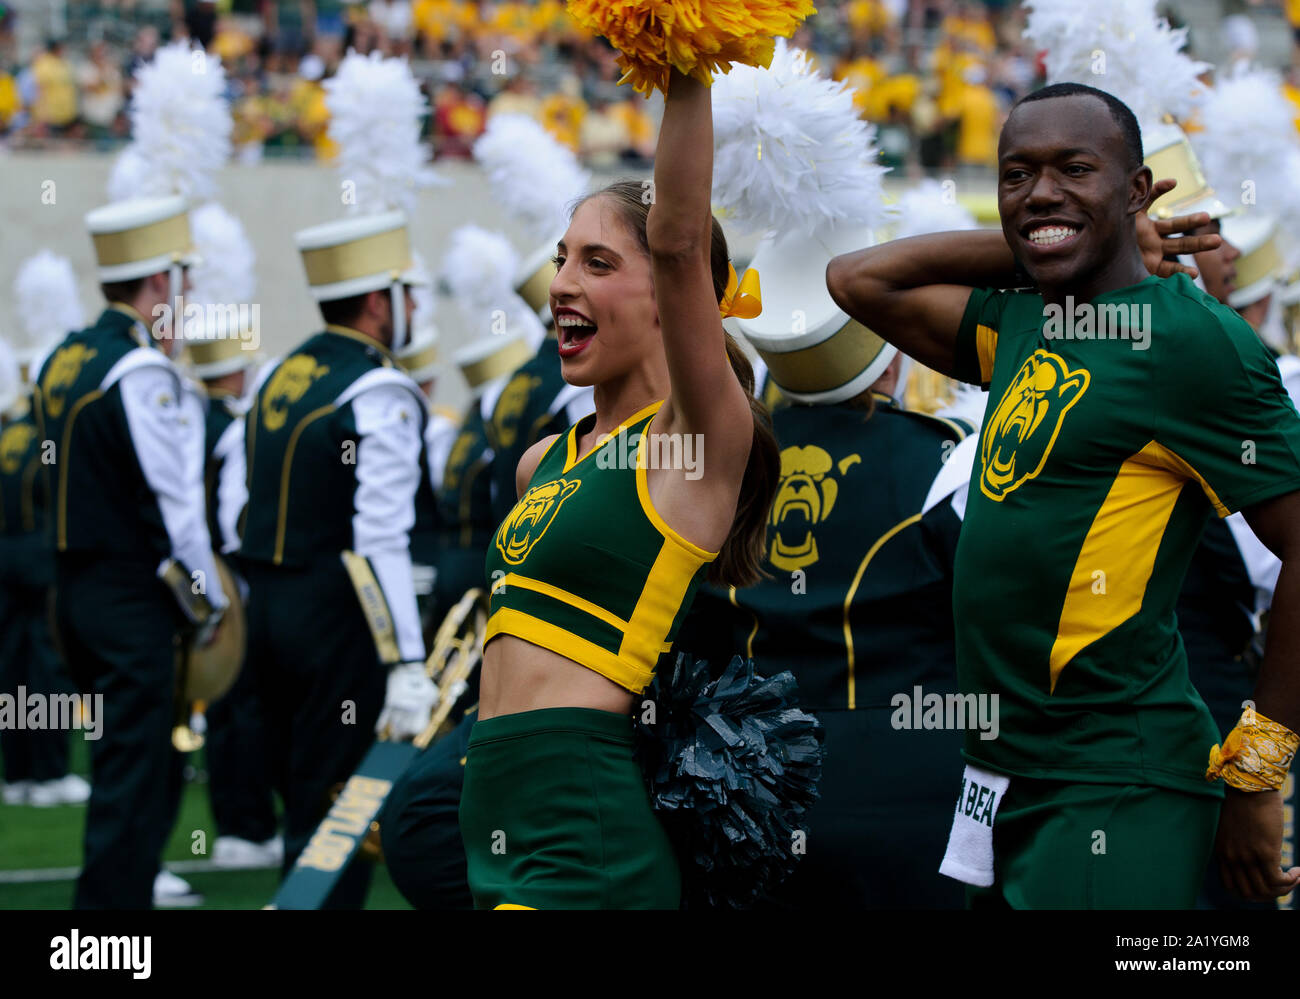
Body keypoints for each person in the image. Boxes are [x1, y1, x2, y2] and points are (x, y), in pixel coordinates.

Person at [827, 81, 1300, 908]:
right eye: (1018, 175)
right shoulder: (1024, 320)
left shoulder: (1188, 338)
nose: (1041, 190)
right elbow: (856, 280)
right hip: (1005, 774)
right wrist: (1048, 233)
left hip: (1116, 774)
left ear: (1139, 188)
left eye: (1075, 169)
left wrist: (1258, 771)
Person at [460, 68, 780, 910]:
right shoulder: (543, 461)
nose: (562, 283)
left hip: (583, 823)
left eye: (598, 263)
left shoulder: (692, 444)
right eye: (562, 258)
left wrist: (684, 71)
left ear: (677, 302)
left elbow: (678, 240)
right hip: (497, 807)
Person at [34, 195, 229, 909]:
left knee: (125, 758)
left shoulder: (64, 355)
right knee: (134, 767)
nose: (185, 303)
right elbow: (176, 505)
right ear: (157, 286)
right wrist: (208, 599)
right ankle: (104, 930)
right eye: (181, 288)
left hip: (74, 591)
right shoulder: (139, 371)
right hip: (127, 597)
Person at [238, 210, 437, 909]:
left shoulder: (280, 374)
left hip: (270, 610)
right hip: (336, 622)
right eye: (407, 294)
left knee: (303, 794)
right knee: (342, 806)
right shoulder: (378, 388)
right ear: (380, 301)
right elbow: (380, 536)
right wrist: (407, 658)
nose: (415, 308)